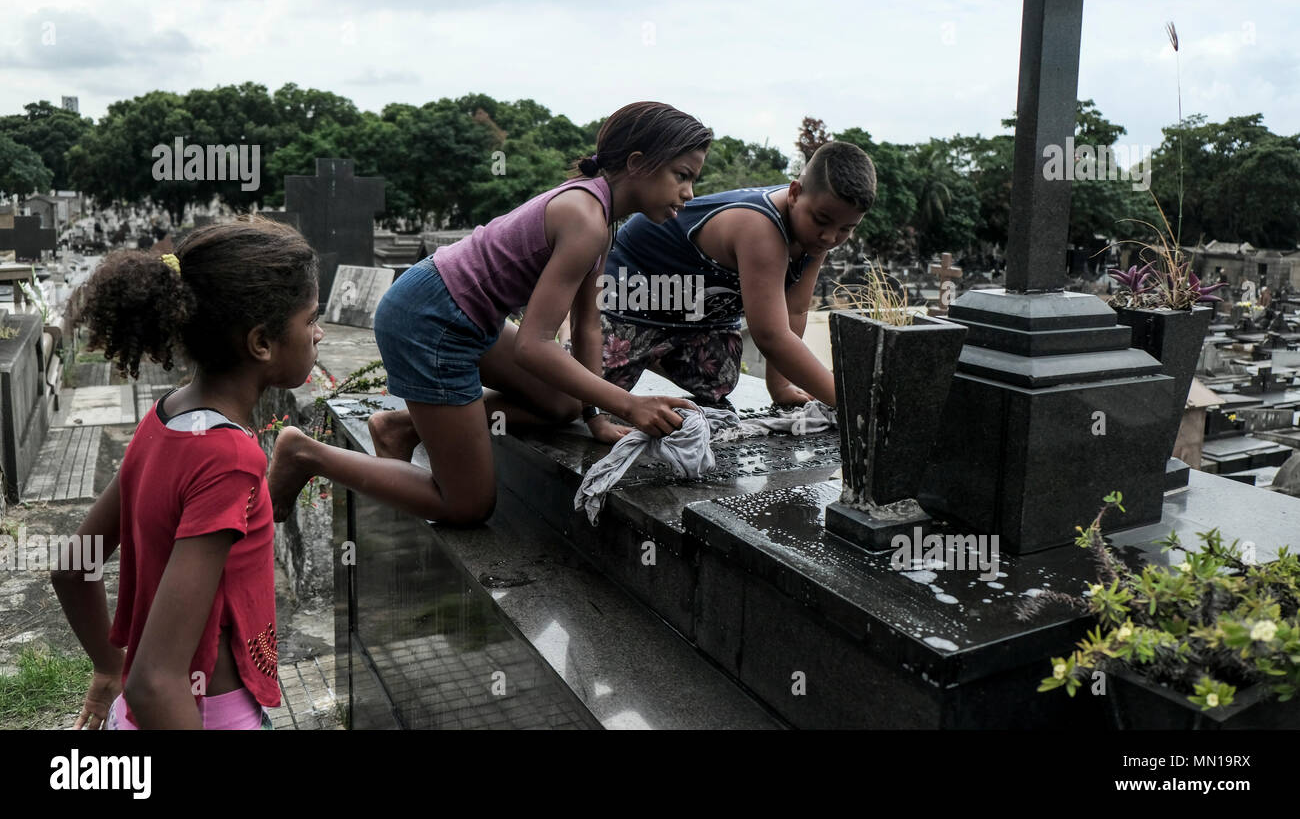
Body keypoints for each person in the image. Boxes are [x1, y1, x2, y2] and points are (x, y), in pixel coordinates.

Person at [267, 101, 710, 525]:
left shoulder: (600, 220)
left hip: (463, 314)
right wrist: (630, 404)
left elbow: (588, 326)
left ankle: (403, 427)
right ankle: (307, 453)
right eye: (682, 176)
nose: (688, 194)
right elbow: (535, 346)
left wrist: (595, 416)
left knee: (563, 405)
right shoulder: (584, 217)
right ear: (637, 163)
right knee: (467, 504)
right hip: (431, 319)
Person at [52, 217, 320, 729]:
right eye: (310, 320)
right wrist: (131, 678)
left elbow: (74, 565)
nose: (319, 334)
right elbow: (155, 680)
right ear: (261, 343)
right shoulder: (232, 459)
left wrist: (110, 668)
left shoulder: (165, 418)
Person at [589, 140, 874, 431]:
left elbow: (795, 311)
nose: (829, 237)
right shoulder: (760, 227)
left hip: (697, 309)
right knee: (577, 400)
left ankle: (656, 350)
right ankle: (638, 349)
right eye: (822, 220)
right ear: (795, 193)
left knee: (719, 379)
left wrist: (782, 387)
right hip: (641, 292)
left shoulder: (816, 234)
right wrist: (852, 403)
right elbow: (770, 335)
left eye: (845, 229)